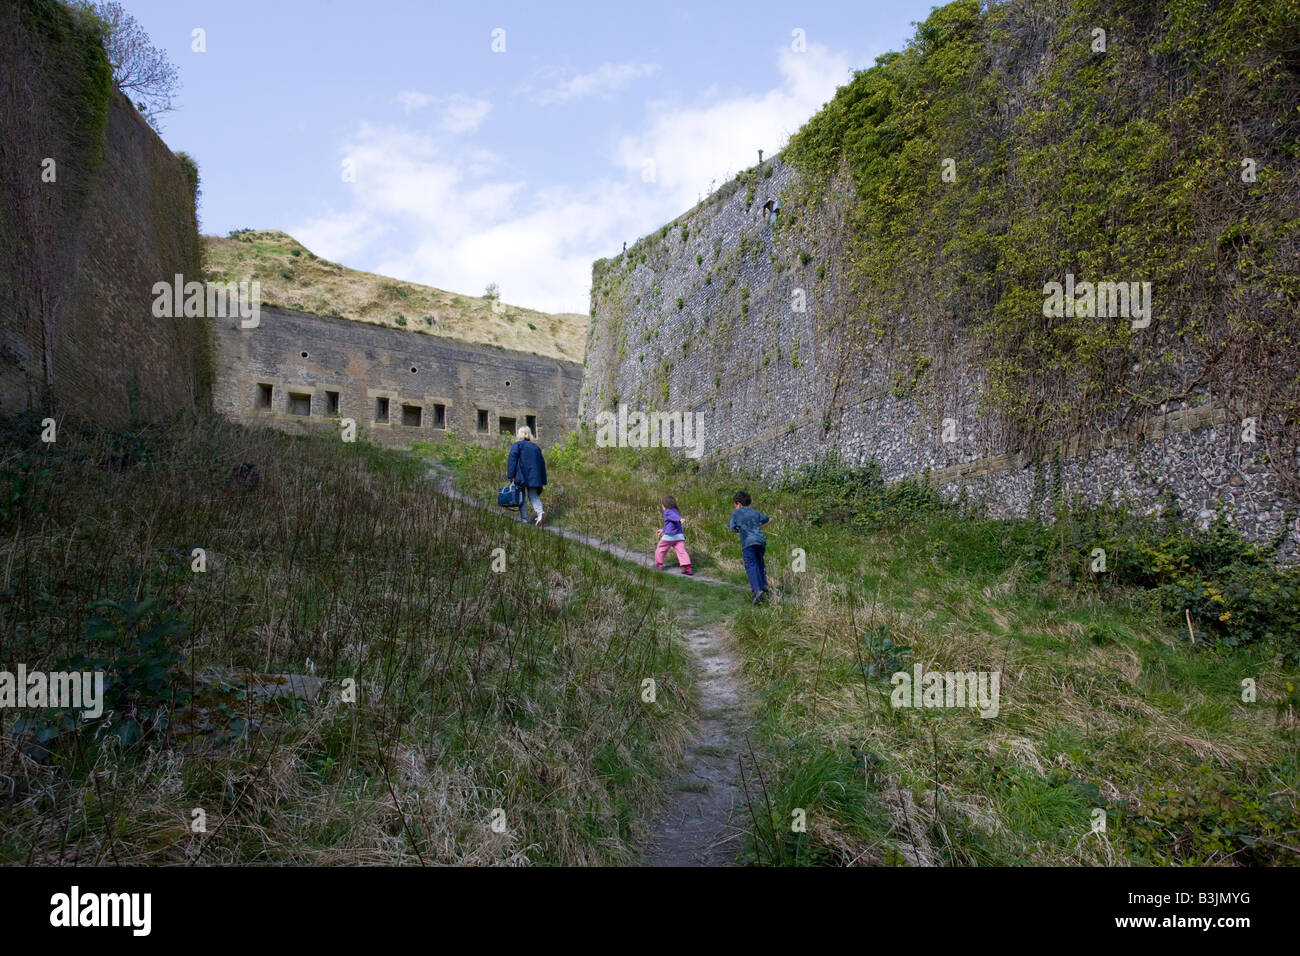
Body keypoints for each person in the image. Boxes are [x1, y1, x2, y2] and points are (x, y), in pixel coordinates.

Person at [728, 490, 770, 604]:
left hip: (748, 542)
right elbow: (769, 519)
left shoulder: (736, 513)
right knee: (760, 562)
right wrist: (758, 526)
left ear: (738, 503)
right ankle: (764, 585)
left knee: (751, 565)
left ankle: (757, 590)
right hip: (760, 541)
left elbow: (731, 528)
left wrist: (738, 529)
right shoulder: (755, 512)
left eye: (735, 505)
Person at [506, 426, 547, 526]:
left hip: (521, 475)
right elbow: (542, 463)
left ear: (519, 434)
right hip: (534, 476)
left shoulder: (517, 445)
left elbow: (512, 460)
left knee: (521, 496)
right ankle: (540, 513)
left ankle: (524, 518)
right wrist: (543, 479)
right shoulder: (536, 447)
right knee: (533, 495)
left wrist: (511, 475)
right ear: (529, 434)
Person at [654, 495, 693, 575]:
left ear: (665, 505)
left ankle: (659, 564)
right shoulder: (676, 510)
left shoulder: (668, 511)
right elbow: (671, 523)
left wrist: (679, 519)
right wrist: (663, 530)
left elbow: (674, 517)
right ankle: (688, 568)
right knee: (682, 552)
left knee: (661, 548)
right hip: (679, 536)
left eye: (662, 505)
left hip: (669, 537)